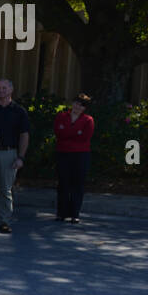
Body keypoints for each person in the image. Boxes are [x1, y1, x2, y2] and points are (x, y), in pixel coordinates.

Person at [0, 78, 30, 233]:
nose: (0, 91)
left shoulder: (19, 111)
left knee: (6, 189)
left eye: (3, 88)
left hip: (9, 153)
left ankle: (4, 220)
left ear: (11, 90)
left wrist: (20, 157)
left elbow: (24, 135)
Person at [55, 93, 95, 223]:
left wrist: (68, 134)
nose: (78, 107)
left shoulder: (88, 120)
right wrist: (75, 133)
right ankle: (62, 213)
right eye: (76, 103)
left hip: (81, 155)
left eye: (81, 105)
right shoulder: (62, 116)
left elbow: (84, 137)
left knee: (77, 184)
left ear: (84, 108)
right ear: (72, 104)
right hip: (63, 153)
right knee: (63, 183)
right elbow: (58, 133)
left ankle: (74, 214)